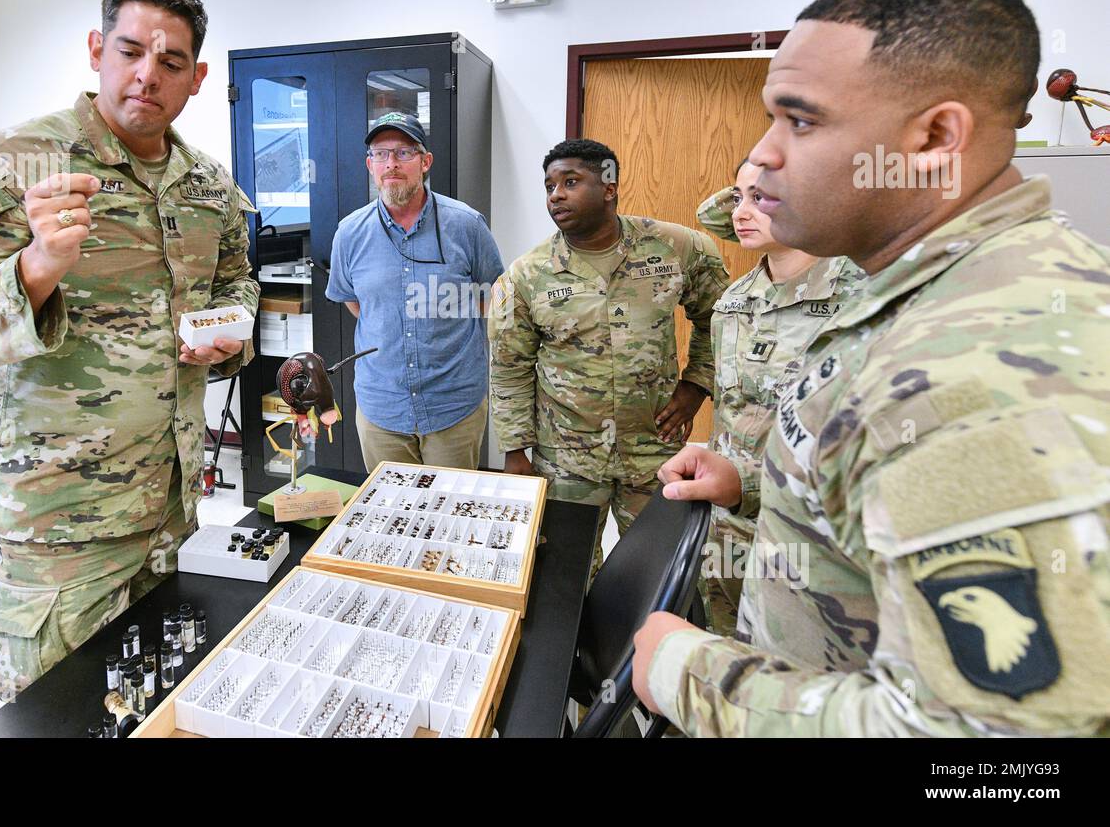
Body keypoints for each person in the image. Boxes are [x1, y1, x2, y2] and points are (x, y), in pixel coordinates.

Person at [633, 0, 1110, 736]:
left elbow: (988, 755)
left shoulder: (984, 362)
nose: (764, 156)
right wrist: (749, 481)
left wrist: (685, 672)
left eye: (802, 121)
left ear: (933, 137)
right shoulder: (927, 292)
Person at [0, 0, 259, 701]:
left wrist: (232, 333)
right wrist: (35, 268)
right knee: (56, 722)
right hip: (55, 536)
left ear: (196, 78)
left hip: (171, 514)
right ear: (97, 48)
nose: (145, 76)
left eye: (168, 64)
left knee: (151, 709)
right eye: (130, 51)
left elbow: (236, 280)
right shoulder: (5, 166)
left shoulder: (208, 187)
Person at [489, 139, 729, 573]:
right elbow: (510, 366)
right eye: (549, 186)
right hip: (566, 457)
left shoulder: (676, 248)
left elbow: (720, 317)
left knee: (657, 571)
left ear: (609, 187)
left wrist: (696, 386)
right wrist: (515, 452)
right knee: (564, 574)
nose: (556, 195)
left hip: (652, 446)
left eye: (571, 182)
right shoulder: (527, 275)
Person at [693, 160, 866, 636]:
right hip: (728, 532)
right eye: (739, 197)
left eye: (761, 197)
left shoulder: (861, 298)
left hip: (813, 540)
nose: (740, 212)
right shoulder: (733, 302)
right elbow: (732, 414)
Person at [325, 111, 504, 471]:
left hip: (453, 406)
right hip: (382, 405)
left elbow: (494, 300)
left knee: (452, 514)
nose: (391, 163)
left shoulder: (467, 225)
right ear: (369, 165)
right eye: (381, 154)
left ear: (425, 162)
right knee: (392, 512)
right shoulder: (349, 233)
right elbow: (355, 301)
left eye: (404, 152)